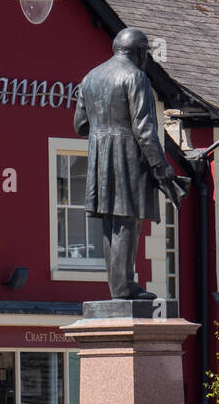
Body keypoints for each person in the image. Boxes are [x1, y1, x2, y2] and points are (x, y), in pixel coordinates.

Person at [73, 27, 190, 300]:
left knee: (109, 222)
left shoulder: (90, 78)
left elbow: (80, 125)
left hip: (100, 156)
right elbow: (144, 128)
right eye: (145, 53)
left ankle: (118, 287)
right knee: (127, 221)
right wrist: (162, 167)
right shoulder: (136, 76)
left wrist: (102, 118)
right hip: (127, 155)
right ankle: (124, 288)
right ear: (139, 52)